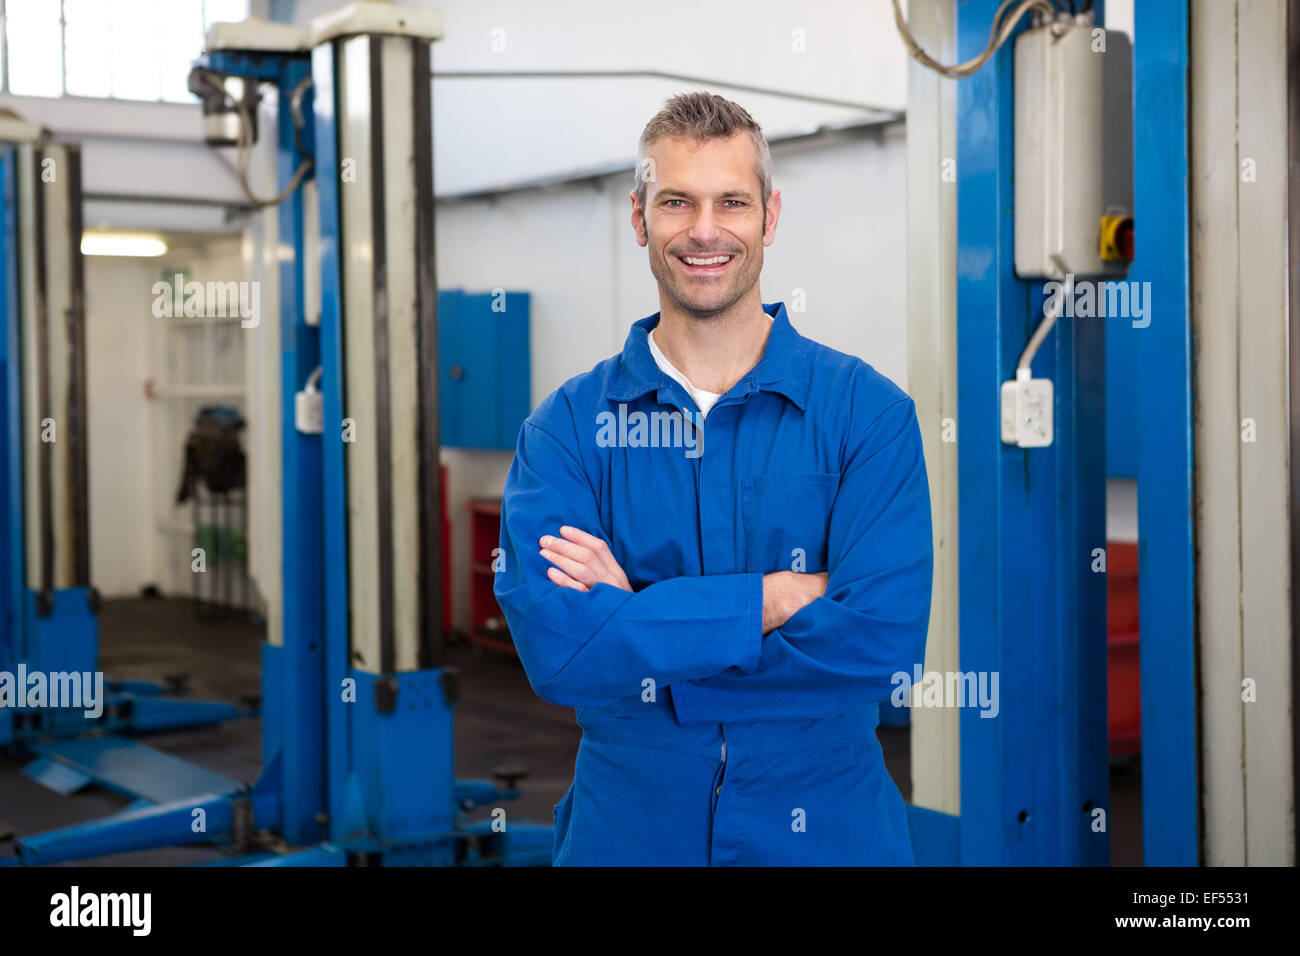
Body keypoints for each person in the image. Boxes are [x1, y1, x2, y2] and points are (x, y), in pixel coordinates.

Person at [494, 91, 933, 865]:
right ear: (639, 218)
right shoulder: (564, 428)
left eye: (731, 201)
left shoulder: (867, 414)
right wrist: (773, 597)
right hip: (629, 826)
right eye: (676, 202)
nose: (704, 230)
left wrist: (642, 619)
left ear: (769, 216)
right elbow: (561, 653)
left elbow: (878, 645)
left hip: (827, 823)